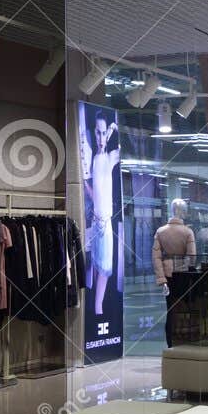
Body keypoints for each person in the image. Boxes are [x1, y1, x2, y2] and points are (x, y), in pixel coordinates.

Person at [87, 117, 120, 316]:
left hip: (105, 222)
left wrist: (112, 130)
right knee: (97, 266)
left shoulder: (110, 157)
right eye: (97, 132)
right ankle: (96, 306)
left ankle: (98, 307)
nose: (100, 137)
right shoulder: (94, 159)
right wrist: (85, 185)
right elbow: (97, 195)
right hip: (96, 220)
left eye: (103, 133)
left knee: (104, 267)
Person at [152, 198, 196, 345]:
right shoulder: (188, 232)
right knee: (185, 309)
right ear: (181, 211)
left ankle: (170, 343)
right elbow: (192, 257)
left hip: (168, 275)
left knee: (170, 311)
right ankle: (184, 341)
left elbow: (156, 257)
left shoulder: (160, 231)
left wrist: (162, 279)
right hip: (184, 275)